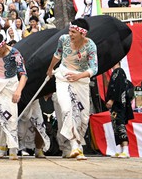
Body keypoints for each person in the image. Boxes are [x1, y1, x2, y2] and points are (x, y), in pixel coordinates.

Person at [46, 18, 98, 160]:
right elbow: (57, 55)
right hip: (63, 78)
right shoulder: (63, 39)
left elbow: (94, 68)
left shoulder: (90, 46)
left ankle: (78, 143)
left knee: (83, 117)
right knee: (66, 110)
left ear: (82, 34)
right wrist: (50, 69)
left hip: (81, 80)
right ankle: (74, 144)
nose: (70, 34)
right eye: (70, 31)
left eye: (73, 32)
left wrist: (79, 76)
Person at [0, 33, 28, 159]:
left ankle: (12, 148)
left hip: (10, 85)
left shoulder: (15, 54)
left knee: (10, 117)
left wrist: (18, 91)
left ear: (4, 44)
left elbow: (24, 74)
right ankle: (2, 144)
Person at [105, 62, 134, 158]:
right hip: (115, 105)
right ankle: (119, 149)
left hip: (119, 104)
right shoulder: (115, 73)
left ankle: (126, 149)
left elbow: (119, 88)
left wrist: (112, 100)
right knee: (115, 125)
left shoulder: (119, 71)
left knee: (120, 124)